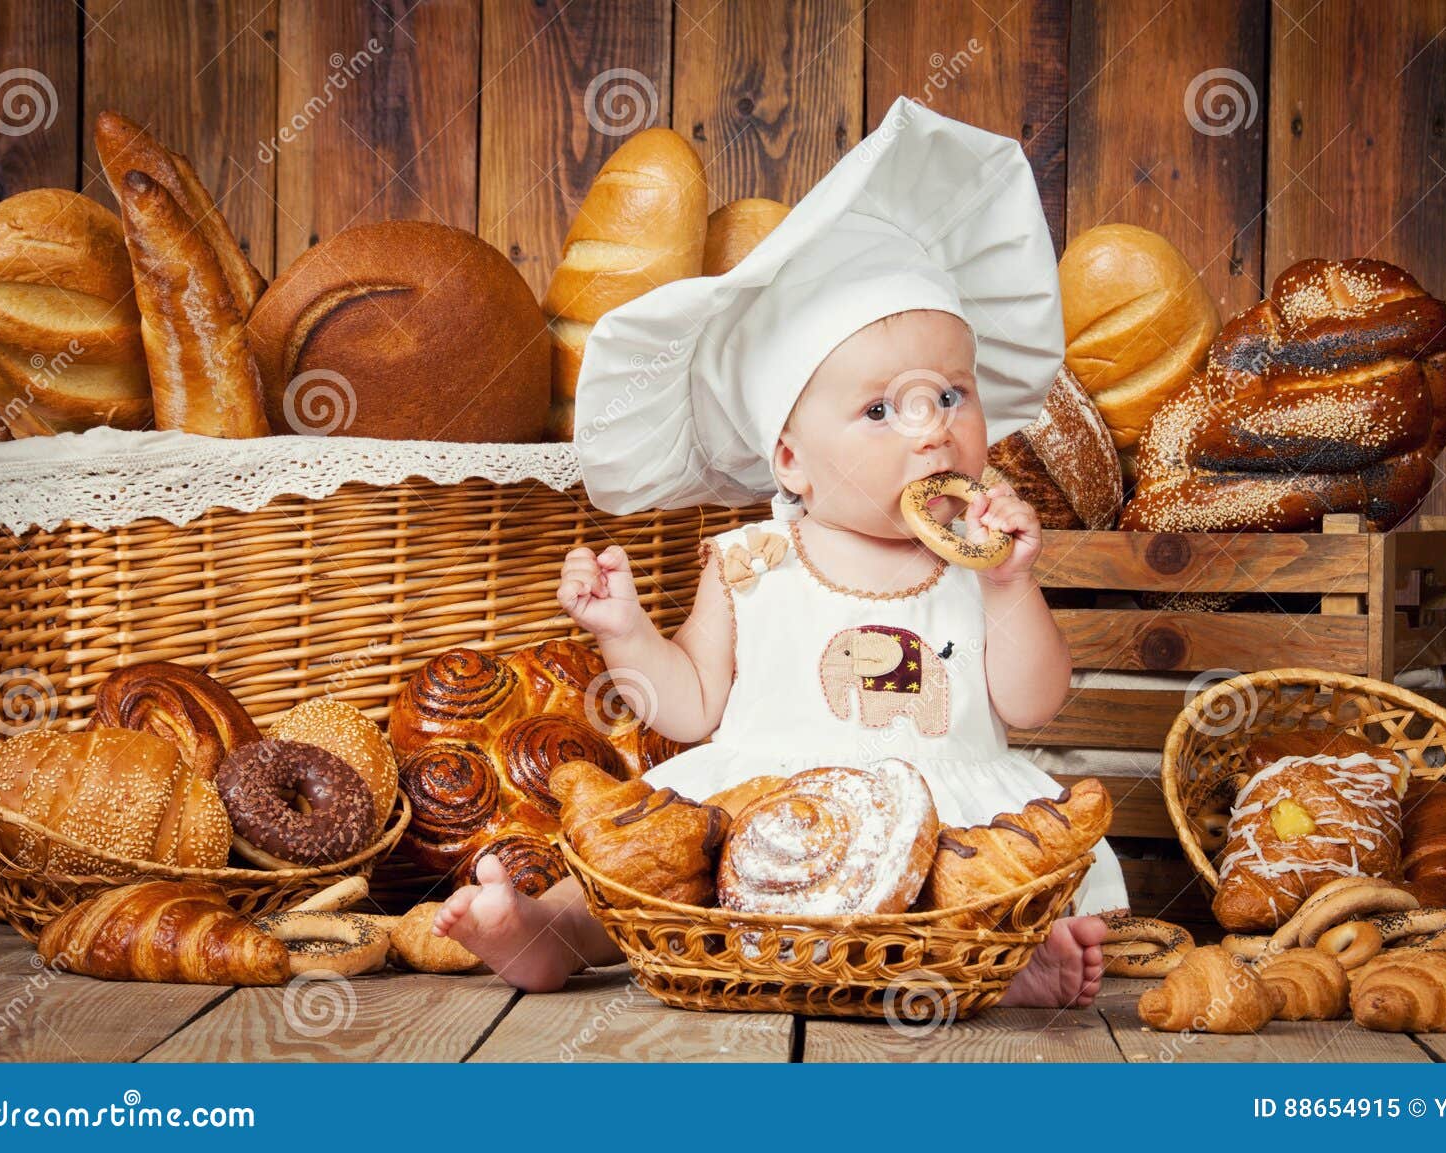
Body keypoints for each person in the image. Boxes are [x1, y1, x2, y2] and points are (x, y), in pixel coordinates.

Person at [436, 96, 1130, 1007]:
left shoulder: (976, 563)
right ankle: (551, 935)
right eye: (881, 409)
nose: (930, 433)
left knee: (990, 883)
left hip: (936, 817)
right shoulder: (752, 562)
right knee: (652, 867)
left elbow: (1035, 702)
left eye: (951, 395)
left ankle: (1007, 965)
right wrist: (625, 632)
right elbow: (688, 708)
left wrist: (1011, 586)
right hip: (763, 813)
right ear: (791, 460)